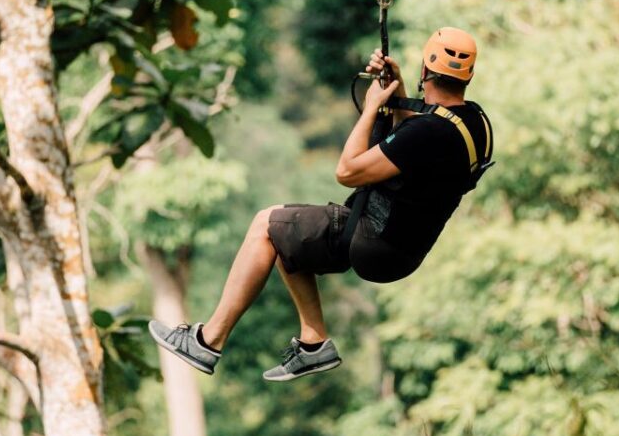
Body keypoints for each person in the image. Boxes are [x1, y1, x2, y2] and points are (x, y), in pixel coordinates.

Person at [149, 27, 492, 381]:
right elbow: (414, 145)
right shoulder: (474, 124)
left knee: (266, 224)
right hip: (404, 248)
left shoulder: (427, 133)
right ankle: (313, 344)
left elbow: (347, 171)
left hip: (373, 239)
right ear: (467, 77)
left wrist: (371, 108)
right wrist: (398, 91)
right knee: (288, 231)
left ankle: (208, 341)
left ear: (425, 70)